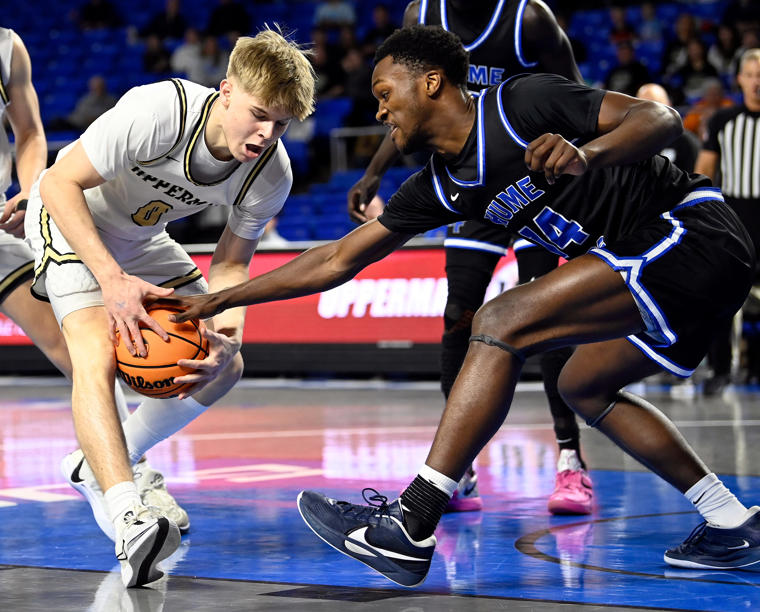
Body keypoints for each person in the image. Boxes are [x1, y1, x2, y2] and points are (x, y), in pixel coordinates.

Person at [162, 25, 760, 587]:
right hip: (658, 271)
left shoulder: (518, 103)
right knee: (584, 385)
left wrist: (590, 154)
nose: (379, 108)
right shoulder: (439, 186)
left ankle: (412, 523)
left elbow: (660, 118)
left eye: (385, 91)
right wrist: (219, 296)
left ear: (430, 83)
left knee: (499, 320)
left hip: (691, 232)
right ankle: (729, 519)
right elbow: (336, 260)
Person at [23, 27, 315, 588]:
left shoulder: (270, 171)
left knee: (227, 367)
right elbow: (58, 182)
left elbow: (230, 265)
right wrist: (111, 281)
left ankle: (100, 459)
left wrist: (228, 333)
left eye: (281, 123)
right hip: (70, 216)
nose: (266, 134)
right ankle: (127, 514)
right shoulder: (162, 109)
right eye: (258, 115)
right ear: (225, 91)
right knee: (95, 354)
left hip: (142, 239)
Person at [346, 0, 594, 517]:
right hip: (469, 180)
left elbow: (579, 101)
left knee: (544, 320)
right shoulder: (423, 13)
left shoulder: (529, 19)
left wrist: (573, 167)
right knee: (458, 318)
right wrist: (373, 172)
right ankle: (458, 471)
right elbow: (407, 103)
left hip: (530, 181)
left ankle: (571, 460)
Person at [0, 24, 187, 540]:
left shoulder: (6, 46)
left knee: (82, 348)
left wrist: (33, 190)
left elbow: (30, 132)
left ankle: (122, 475)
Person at [694, 48, 760, 395]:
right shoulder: (722, 121)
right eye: (751, 74)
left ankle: (754, 368)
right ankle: (719, 370)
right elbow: (703, 173)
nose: (757, 81)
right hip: (735, 220)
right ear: (740, 80)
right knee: (721, 295)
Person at [636, 83, 701, 173]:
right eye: (643, 106)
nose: (650, 112)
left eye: (655, 104)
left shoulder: (687, 142)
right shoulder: (631, 145)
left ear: (669, 106)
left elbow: (696, 179)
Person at [48, 75, 118, 132]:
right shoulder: (86, 99)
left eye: (97, 86)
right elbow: (79, 112)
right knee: (56, 121)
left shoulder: (111, 100)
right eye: (93, 86)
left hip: (85, 125)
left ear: (103, 86)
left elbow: (105, 115)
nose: (95, 88)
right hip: (75, 121)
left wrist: (88, 117)